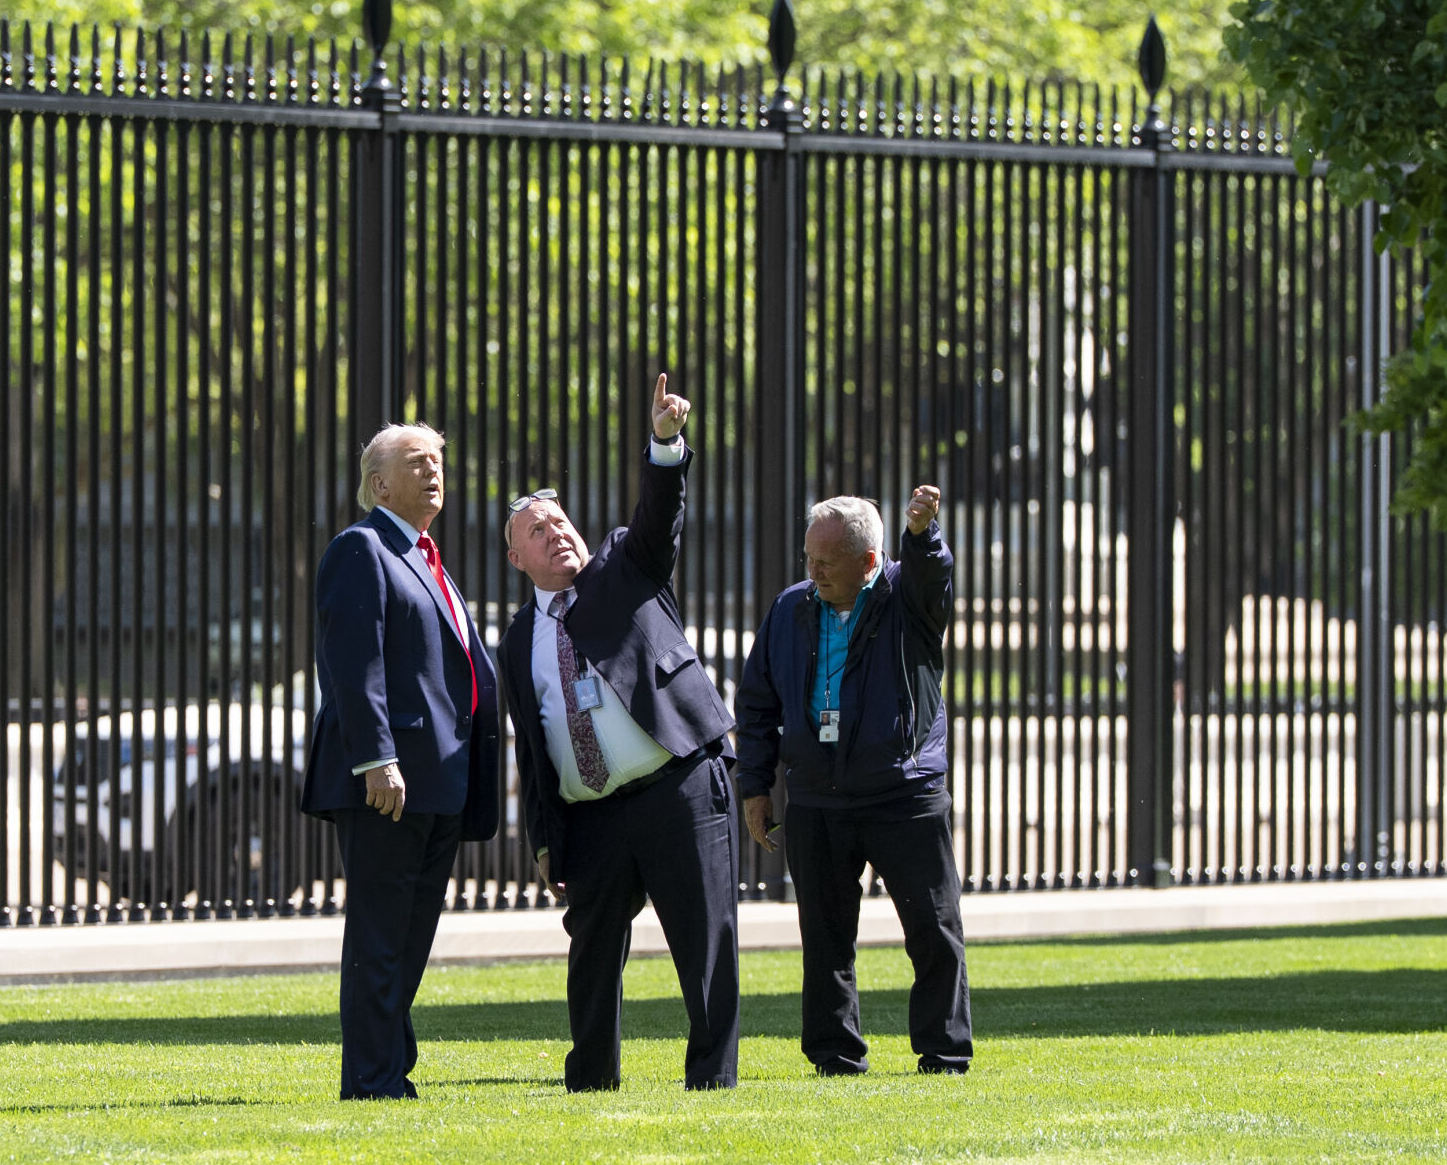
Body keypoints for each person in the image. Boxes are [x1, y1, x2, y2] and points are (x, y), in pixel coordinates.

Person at [496, 373, 741, 1092]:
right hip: (594, 815)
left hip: (678, 788)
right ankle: (591, 1077)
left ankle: (711, 1078)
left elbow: (660, 513)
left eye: (560, 522)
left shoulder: (624, 565)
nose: (556, 534)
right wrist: (543, 837)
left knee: (704, 941)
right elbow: (533, 747)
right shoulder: (517, 640)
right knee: (592, 952)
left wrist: (665, 444)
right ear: (517, 560)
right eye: (537, 532)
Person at [734, 487, 973, 1076]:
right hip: (817, 795)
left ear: (869, 562)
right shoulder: (791, 608)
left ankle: (943, 1053)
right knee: (824, 938)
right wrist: (756, 786)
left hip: (903, 792)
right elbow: (758, 703)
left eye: (826, 560)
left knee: (933, 931)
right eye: (808, 557)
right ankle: (833, 1055)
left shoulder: (905, 599)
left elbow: (932, 577)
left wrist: (923, 536)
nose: (812, 570)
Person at [300, 422, 501, 1100]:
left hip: (440, 781)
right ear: (380, 482)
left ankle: (389, 1067)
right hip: (390, 782)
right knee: (381, 938)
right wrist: (376, 756)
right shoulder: (362, 548)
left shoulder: (426, 555)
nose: (435, 471)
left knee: (409, 940)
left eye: (440, 459)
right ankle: (371, 1079)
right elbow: (354, 663)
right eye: (418, 462)